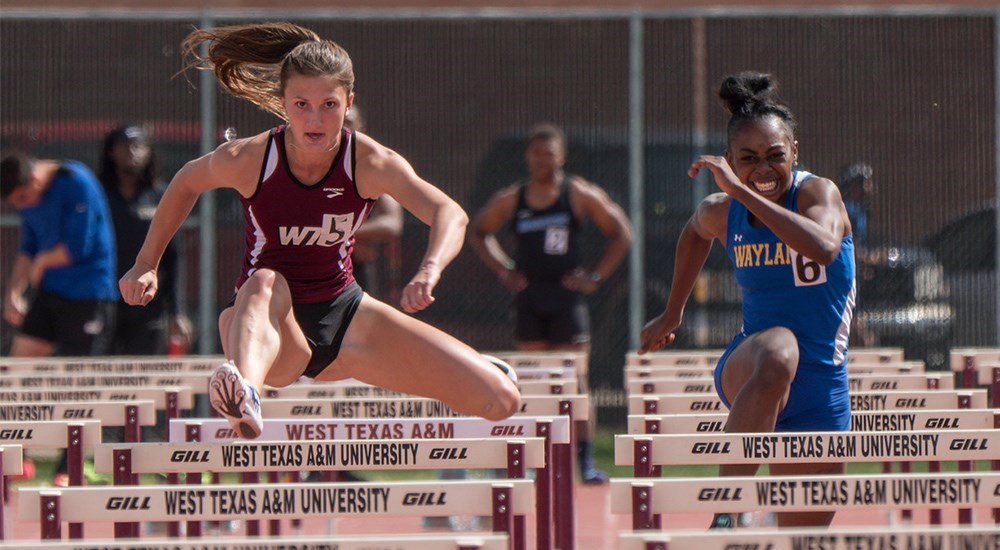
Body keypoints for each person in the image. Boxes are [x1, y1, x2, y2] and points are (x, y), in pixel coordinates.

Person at [119, 22, 520, 440]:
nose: (315, 119)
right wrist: (147, 263)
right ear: (282, 104)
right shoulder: (253, 158)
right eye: (301, 105)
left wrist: (429, 270)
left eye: (328, 104)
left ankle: (478, 369)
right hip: (270, 330)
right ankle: (245, 393)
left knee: (500, 400)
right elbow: (186, 181)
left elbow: (449, 212)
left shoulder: (368, 161)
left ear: (349, 102)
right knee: (264, 281)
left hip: (346, 315)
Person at [639, 71, 855, 528]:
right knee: (779, 348)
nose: (762, 169)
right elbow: (695, 232)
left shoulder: (818, 193)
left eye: (775, 155)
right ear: (731, 161)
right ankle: (727, 509)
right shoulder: (724, 210)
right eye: (748, 158)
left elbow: (823, 247)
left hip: (822, 392)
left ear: (795, 152)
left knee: (804, 536)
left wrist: (740, 194)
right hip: (754, 370)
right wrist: (671, 312)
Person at [469, 123, 633, 484]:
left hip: (567, 298)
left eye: (550, 153)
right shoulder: (514, 198)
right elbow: (479, 229)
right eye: (537, 154)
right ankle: (530, 459)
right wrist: (503, 270)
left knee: (576, 382)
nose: (544, 160)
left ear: (561, 156)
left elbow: (621, 232)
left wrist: (595, 276)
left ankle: (585, 463)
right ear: (528, 157)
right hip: (530, 297)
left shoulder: (577, 194)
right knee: (529, 382)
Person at [1, 150, 119, 487]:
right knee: (17, 366)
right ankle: (15, 454)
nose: (24, 205)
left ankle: (69, 467)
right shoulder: (28, 201)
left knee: (77, 382)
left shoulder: (75, 181)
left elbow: (78, 247)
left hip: (89, 293)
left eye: (24, 197)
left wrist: (40, 265)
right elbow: (28, 247)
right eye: (17, 202)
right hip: (51, 294)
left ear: (34, 180)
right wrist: (14, 292)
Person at [99, 124, 193, 355]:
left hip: (148, 303)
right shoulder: (99, 194)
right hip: (104, 301)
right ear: (112, 151)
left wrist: (177, 312)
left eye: (138, 146)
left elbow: (174, 256)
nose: (132, 152)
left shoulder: (161, 195)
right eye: (125, 146)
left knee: (145, 375)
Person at [343, 105, 405, 303]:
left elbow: (391, 223)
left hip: (355, 271)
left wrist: (346, 238)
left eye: (349, 122)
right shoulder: (306, 164)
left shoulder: (371, 167)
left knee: (354, 331)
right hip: (306, 272)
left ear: (360, 127)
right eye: (339, 122)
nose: (343, 128)